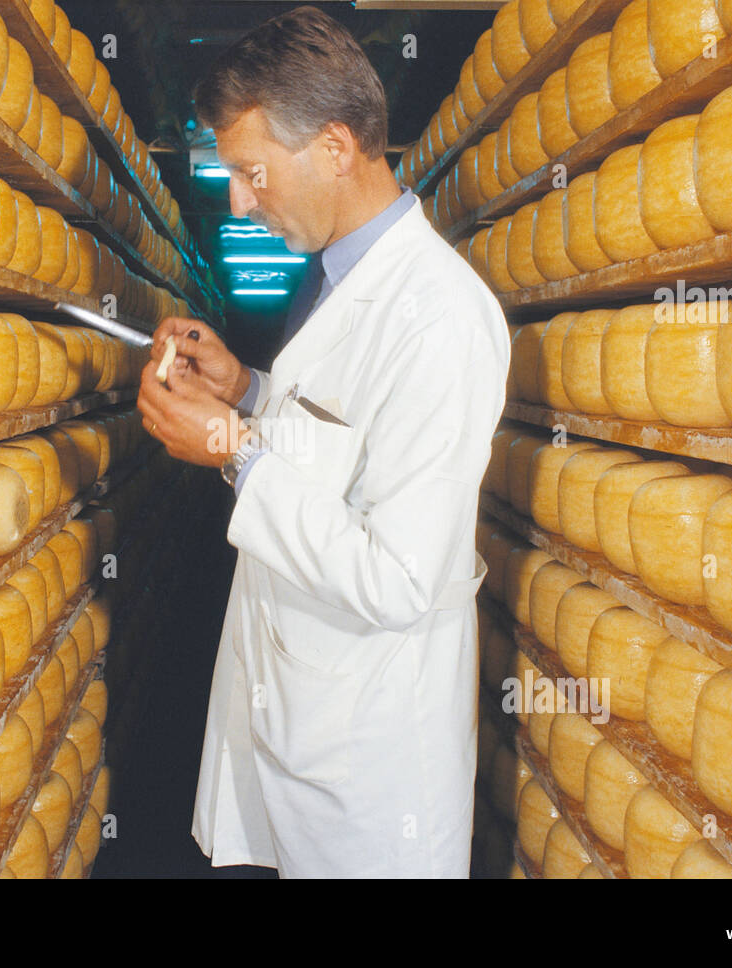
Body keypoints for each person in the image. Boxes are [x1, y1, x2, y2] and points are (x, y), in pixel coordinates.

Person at [136, 5, 510, 877]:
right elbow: (344, 435)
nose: (238, 198)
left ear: (336, 147)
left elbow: (399, 576)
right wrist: (249, 391)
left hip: (366, 766)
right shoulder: (338, 279)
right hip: (296, 706)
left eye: (252, 172)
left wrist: (233, 445)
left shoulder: (441, 319)